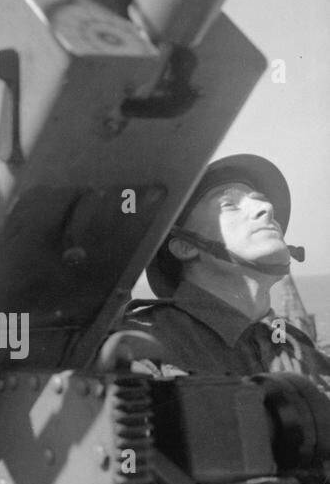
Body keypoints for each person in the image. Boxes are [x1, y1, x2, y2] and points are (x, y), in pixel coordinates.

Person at [119, 154, 322, 383]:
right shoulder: (138, 345)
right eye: (229, 204)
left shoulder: (301, 350)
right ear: (185, 246)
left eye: (261, 199)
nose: (266, 208)